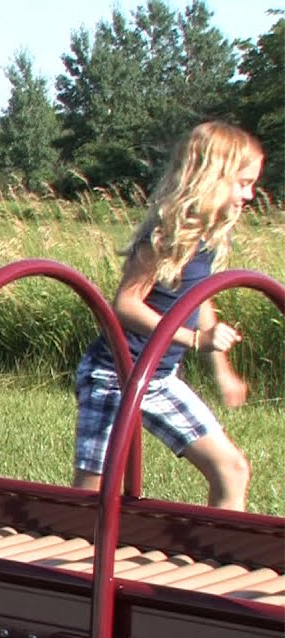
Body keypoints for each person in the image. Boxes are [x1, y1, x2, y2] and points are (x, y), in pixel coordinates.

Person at [72, 121, 263, 511]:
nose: (249, 194)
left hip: (157, 379)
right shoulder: (164, 236)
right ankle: (66, 561)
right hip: (115, 375)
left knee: (231, 469)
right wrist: (193, 341)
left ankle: (218, 561)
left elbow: (198, 301)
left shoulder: (208, 238)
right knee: (90, 498)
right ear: (212, 178)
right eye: (242, 183)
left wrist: (221, 369)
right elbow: (125, 304)